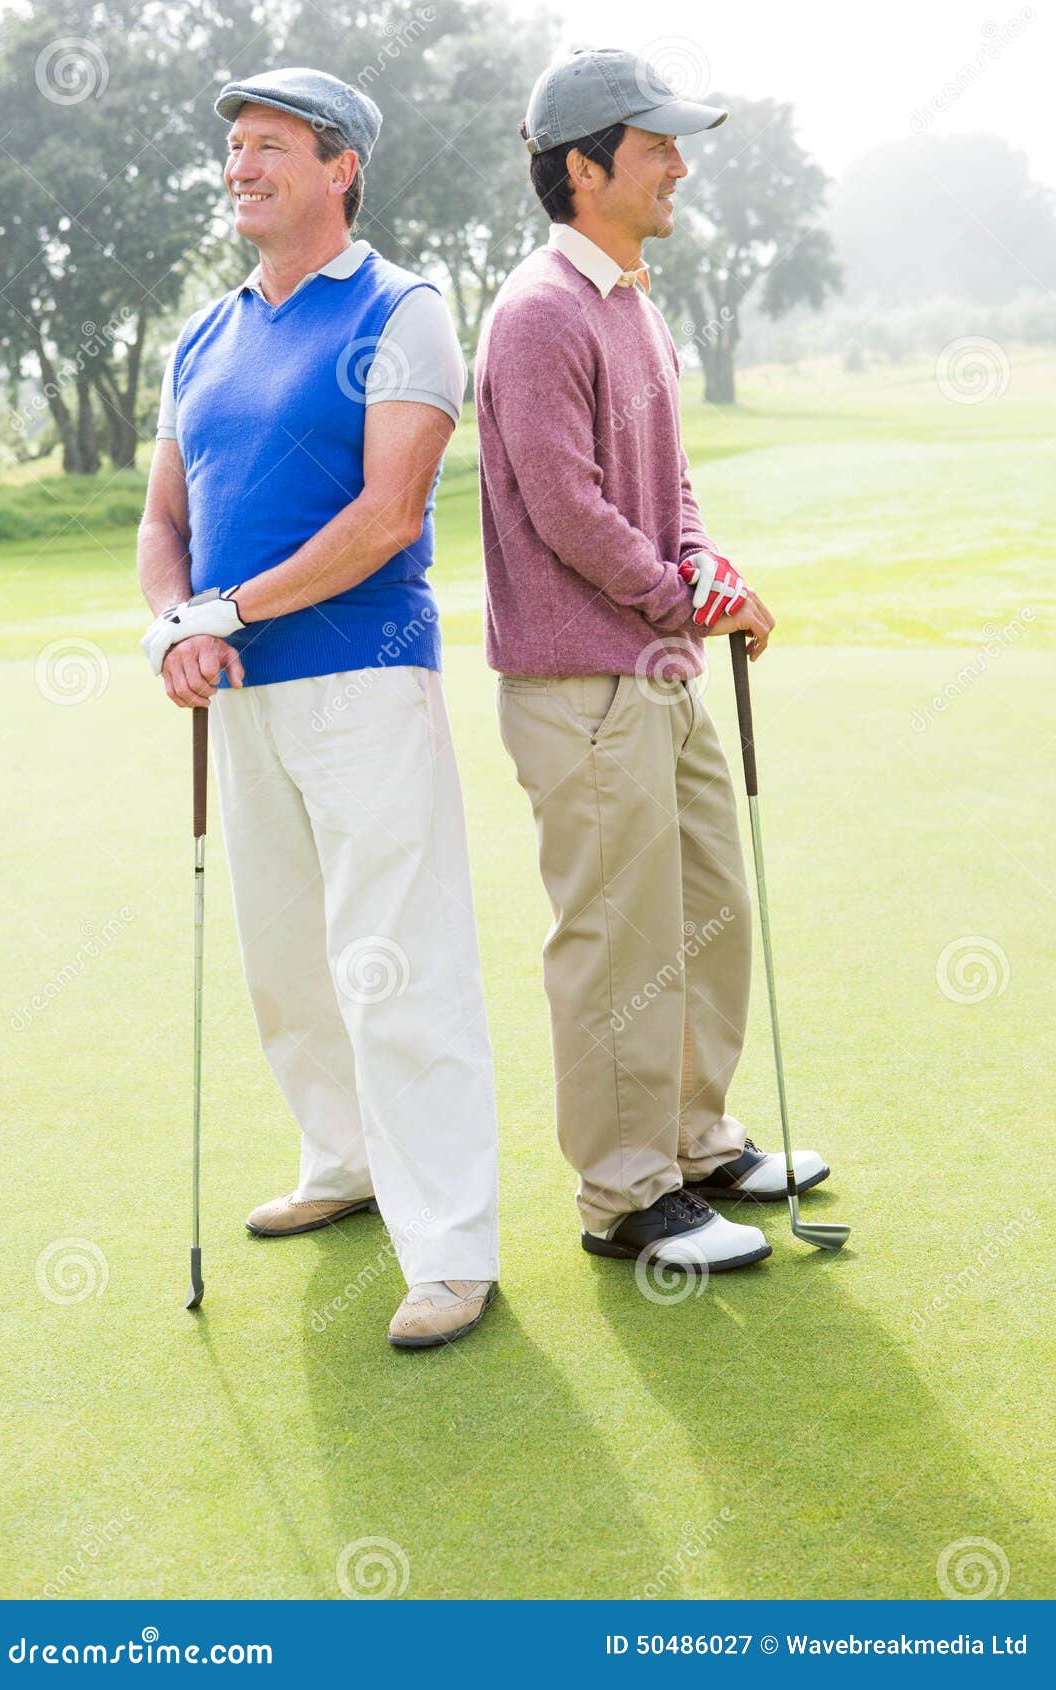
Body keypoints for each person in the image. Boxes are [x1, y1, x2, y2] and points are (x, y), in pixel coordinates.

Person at [137, 67, 498, 1348]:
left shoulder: (402, 309)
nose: (240, 165)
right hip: (243, 693)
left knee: (397, 964)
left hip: (364, 680)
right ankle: (342, 1162)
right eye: (234, 146)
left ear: (340, 167)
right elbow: (164, 519)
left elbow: (387, 514)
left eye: (270, 145)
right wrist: (173, 621)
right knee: (284, 963)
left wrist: (223, 611)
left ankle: (449, 1248)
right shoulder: (204, 335)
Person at [474, 48, 831, 1277]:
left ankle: (691, 1139)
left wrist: (700, 561)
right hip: (580, 685)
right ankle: (623, 1192)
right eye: (655, 145)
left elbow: (666, 483)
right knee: (618, 938)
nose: (678, 165)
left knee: (705, 908)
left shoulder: (631, 299)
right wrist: (682, 593)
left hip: (658, 672)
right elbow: (565, 505)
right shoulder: (537, 311)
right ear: (584, 168)